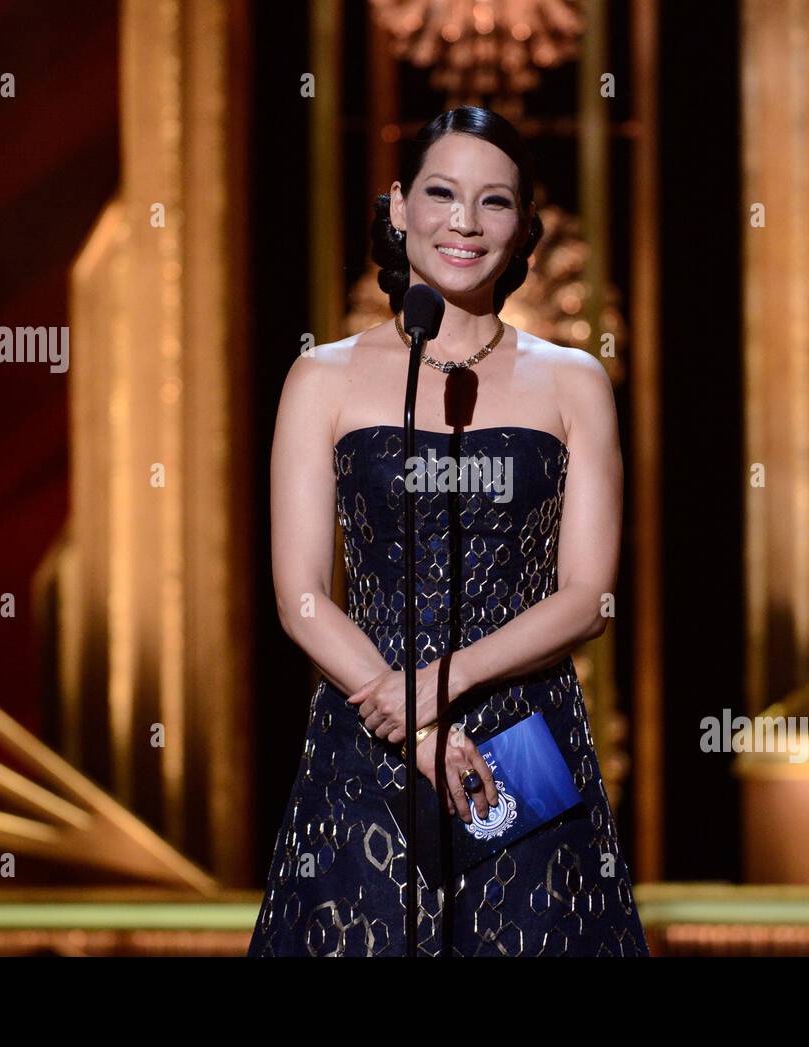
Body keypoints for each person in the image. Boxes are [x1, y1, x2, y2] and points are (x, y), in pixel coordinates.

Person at [248, 105, 648, 957]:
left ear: (523, 228)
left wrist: (442, 681)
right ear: (399, 209)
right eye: (441, 193)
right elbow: (301, 594)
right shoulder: (321, 376)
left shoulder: (573, 382)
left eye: (493, 202)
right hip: (370, 730)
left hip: (521, 737)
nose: (464, 222)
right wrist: (418, 725)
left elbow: (589, 597)